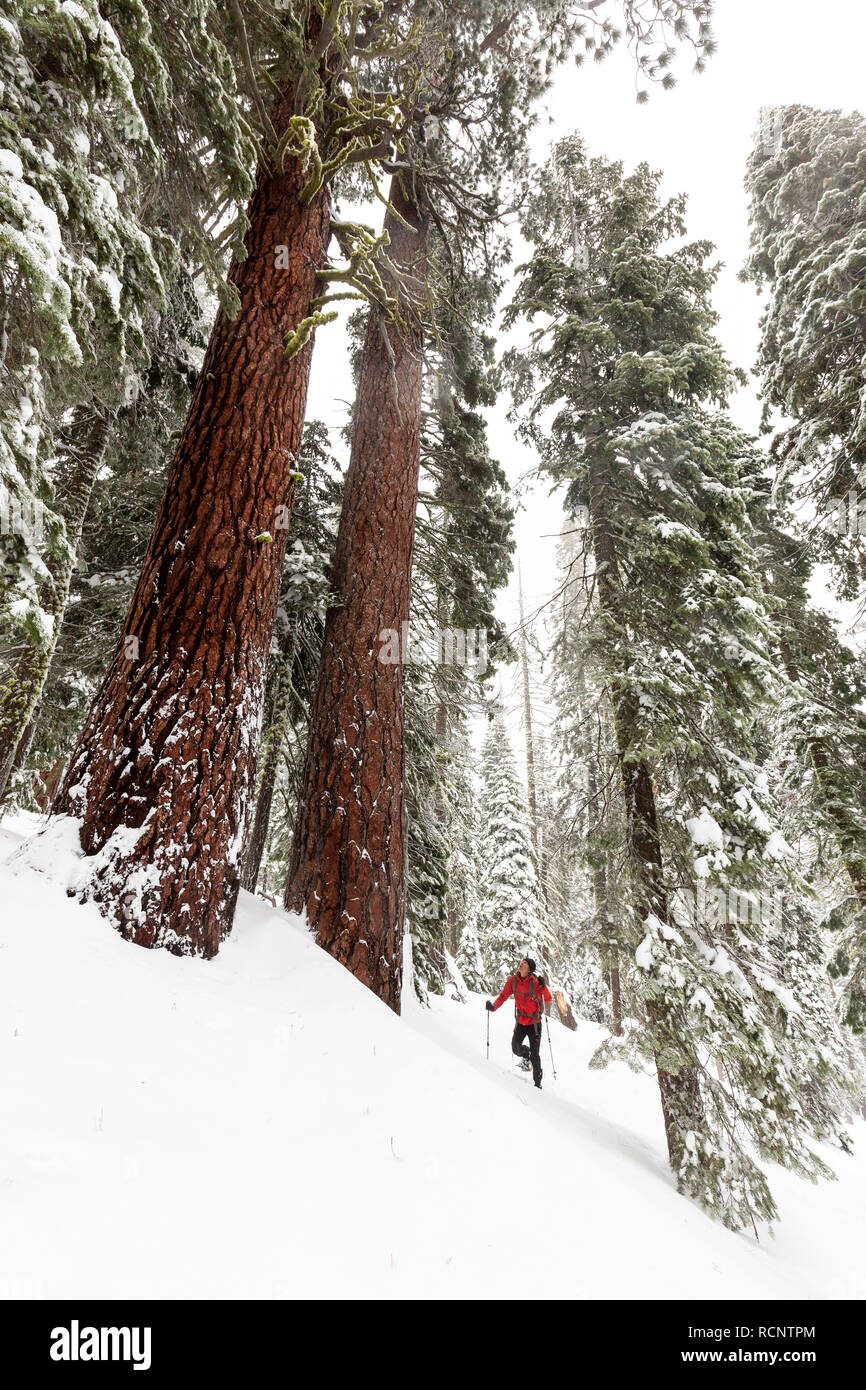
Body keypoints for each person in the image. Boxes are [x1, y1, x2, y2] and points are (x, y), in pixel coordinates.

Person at [486, 957, 552, 1088]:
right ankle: (525, 1054)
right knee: (515, 1048)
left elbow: (548, 998)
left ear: (530, 969)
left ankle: (537, 1084)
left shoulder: (535, 982)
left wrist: (543, 986)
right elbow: (503, 996)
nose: (521, 964)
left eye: (525, 963)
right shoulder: (513, 981)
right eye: (522, 962)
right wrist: (493, 1007)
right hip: (521, 1022)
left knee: (535, 1055)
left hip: (534, 1024)